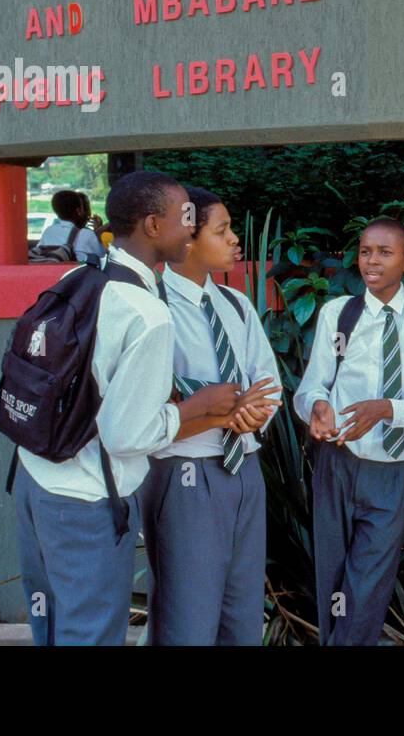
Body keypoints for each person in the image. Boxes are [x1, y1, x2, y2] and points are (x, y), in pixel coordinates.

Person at [12, 170, 272, 646]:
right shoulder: (149, 313)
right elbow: (127, 436)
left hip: (36, 477)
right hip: (88, 499)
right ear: (153, 226)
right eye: (184, 218)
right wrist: (203, 409)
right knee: (91, 634)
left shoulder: (82, 278)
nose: (189, 228)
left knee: (54, 629)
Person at [293, 217, 404, 645]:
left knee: (369, 585)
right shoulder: (337, 314)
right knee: (333, 580)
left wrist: (386, 410)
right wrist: (317, 409)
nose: (372, 261)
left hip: (391, 472)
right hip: (337, 462)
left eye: (385, 252)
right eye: (365, 252)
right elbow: (310, 389)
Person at [140, 186, 282, 645]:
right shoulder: (154, 306)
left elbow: (269, 383)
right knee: (188, 618)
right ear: (187, 239)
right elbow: (157, 400)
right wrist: (220, 410)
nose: (234, 239)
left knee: (241, 615)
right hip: (185, 474)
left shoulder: (236, 305)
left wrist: (253, 413)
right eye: (221, 230)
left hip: (244, 472)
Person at [36, 189, 106, 263]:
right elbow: (102, 256)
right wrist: (97, 231)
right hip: (77, 273)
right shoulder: (86, 234)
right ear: (78, 211)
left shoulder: (48, 231)